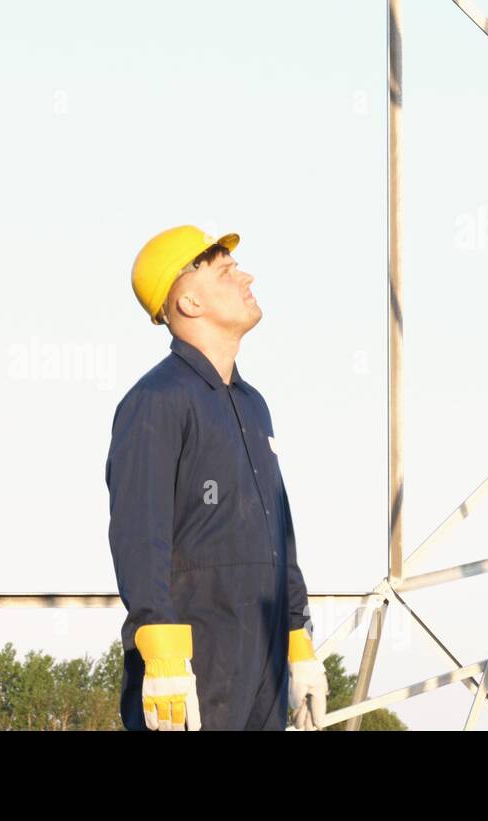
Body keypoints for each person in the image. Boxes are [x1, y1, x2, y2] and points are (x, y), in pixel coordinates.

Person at [105, 225, 327, 731]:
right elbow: (139, 535)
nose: (246, 275)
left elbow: (280, 537)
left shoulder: (253, 406)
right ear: (188, 304)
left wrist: (298, 640)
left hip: (264, 665)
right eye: (226, 271)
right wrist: (161, 650)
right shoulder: (155, 403)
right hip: (193, 665)